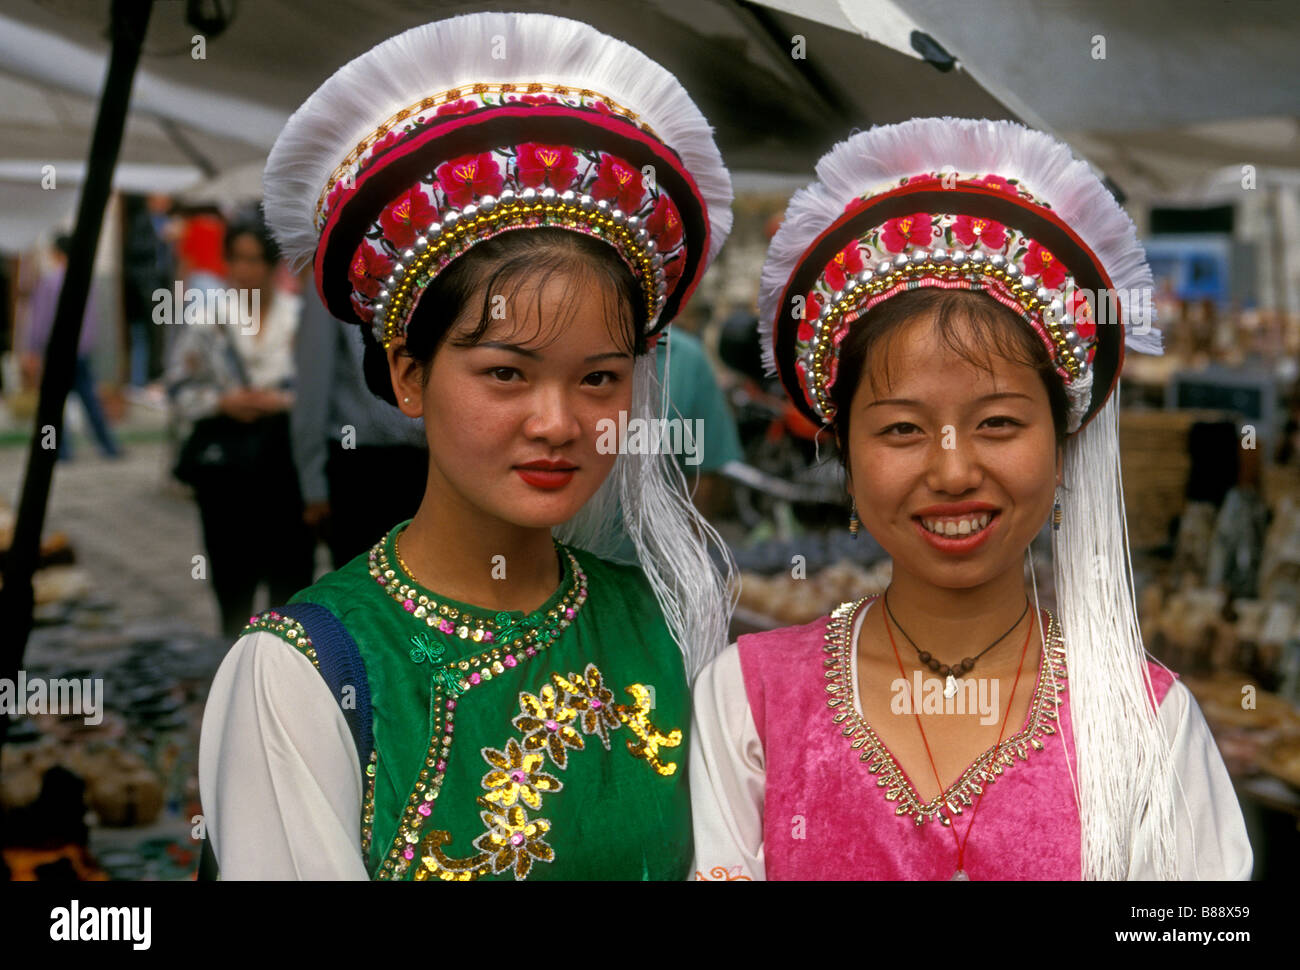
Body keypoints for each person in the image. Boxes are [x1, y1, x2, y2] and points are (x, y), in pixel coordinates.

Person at [199, 11, 736, 881]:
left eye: (599, 378)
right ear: (410, 376)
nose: (558, 422)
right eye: (506, 374)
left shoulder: (672, 628)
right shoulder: (305, 675)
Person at [690, 118, 1252, 880]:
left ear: (1062, 448)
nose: (953, 472)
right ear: (846, 461)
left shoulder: (1144, 723)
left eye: (997, 423)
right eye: (901, 429)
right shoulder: (749, 700)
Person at [165, 215, 314, 639]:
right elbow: (176, 387)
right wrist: (221, 402)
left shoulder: (298, 318)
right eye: (237, 259)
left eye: (255, 259)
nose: (245, 269)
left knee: (289, 573)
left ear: (273, 264)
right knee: (231, 574)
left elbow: (320, 389)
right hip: (227, 468)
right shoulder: (208, 320)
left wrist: (281, 402)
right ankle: (233, 658)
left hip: (284, 462)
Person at [290, 290, 428, 570]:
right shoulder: (336, 281)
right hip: (359, 466)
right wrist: (313, 484)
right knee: (361, 586)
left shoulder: (433, 263)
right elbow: (313, 387)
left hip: (429, 463)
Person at [21, 234, 123, 461]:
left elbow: (41, 319)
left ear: (57, 253)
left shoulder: (50, 281)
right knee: (89, 399)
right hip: (80, 349)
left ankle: (60, 449)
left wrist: (33, 349)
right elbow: (92, 319)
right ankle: (108, 445)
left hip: (57, 349)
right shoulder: (85, 279)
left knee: (54, 403)